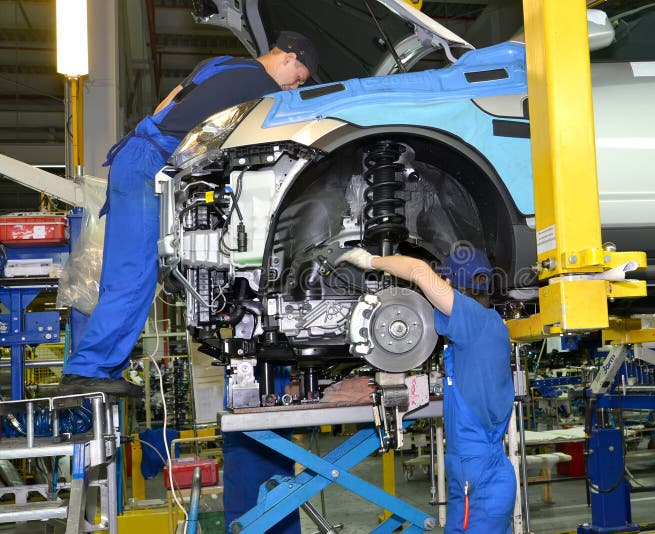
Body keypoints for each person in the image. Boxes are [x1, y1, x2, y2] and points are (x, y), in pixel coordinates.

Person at [58, 30, 318, 397]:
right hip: (150, 164)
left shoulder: (222, 64)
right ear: (289, 56)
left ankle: (97, 367)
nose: (294, 87)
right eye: (299, 78)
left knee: (131, 274)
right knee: (135, 273)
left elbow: (166, 106)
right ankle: (88, 370)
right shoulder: (261, 86)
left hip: (140, 155)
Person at [336, 245, 516, 533]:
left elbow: (419, 271)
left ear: (451, 282)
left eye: (443, 281)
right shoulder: (488, 325)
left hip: (479, 478)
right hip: (476, 474)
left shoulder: (472, 319)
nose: (439, 285)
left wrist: (371, 260)